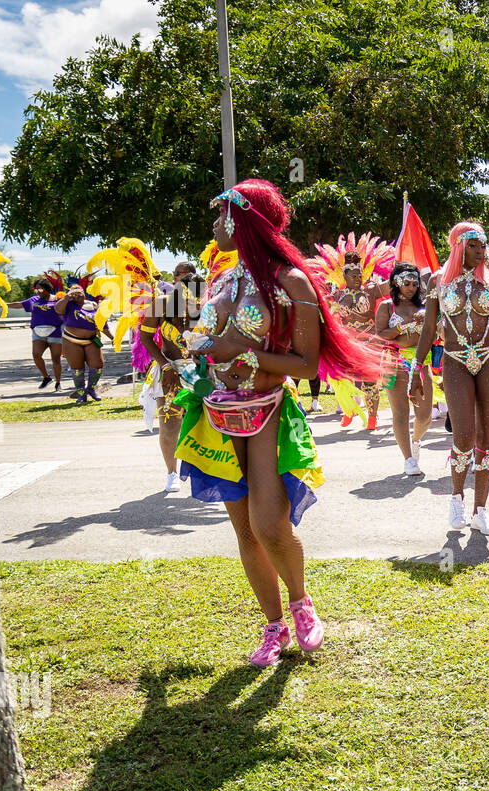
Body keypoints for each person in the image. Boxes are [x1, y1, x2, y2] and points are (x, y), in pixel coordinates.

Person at [178, 178, 383, 667]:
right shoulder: (223, 280)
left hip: (267, 408)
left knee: (268, 523)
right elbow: (207, 344)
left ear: (239, 218)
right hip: (216, 410)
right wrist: (186, 353)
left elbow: (308, 365)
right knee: (244, 532)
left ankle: (301, 602)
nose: (212, 225)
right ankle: (274, 628)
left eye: (219, 215)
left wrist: (242, 352)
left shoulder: (291, 281)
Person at [410, 214, 489, 535]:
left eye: (483, 246)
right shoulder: (437, 282)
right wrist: (415, 368)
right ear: (459, 247)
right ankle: (457, 497)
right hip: (455, 361)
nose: (480, 252)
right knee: (463, 436)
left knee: (487, 441)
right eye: (473, 245)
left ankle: (482, 510)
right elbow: (428, 330)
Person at [140, 270, 203, 491]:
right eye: (186, 301)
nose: (189, 307)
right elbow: (145, 337)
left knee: (208, 423)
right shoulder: (161, 304)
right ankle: (172, 473)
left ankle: (207, 472)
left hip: (200, 371)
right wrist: (165, 365)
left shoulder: (205, 306)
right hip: (169, 369)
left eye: (194, 302)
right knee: (169, 423)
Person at [375, 261, 435, 476]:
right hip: (394, 361)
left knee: (425, 415)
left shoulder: (426, 305)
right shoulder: (387, 306)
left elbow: (433, 335)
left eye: (414, 283)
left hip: (421, 361)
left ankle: (416, 441)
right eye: (406, 283)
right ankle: (408, 458)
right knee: (400, 412)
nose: (411, 288)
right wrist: (404, 324)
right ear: (396, 283)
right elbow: (381, 334)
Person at [332, 261, 383, 429]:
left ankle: (372, 418)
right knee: (344, 380)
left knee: (370, 381)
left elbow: (393, 285)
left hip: (369, 343)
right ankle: (349, 411)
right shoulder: (337, 296)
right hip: (348, 344)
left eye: (360, 275)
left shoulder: (370, 290)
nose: (357, 278)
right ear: (344, 277)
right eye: (353, 276)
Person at [9, 277, 64, 390]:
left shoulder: (57, 300)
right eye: (36, 289)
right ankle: (46, 377)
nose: (38, 291)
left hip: (55, 331)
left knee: (56, 359)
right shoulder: (34, 300)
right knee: (36, 355)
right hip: (38, 332)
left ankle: (58, 382)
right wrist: (3, 304)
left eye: (40, 289)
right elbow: (19, 304)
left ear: (47, 288)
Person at [53, 285, 105, 404]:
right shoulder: (68, 304)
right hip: (71, 340)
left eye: (78, 290)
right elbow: (58, 309)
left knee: (98, 365)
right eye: (73, 291)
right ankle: (81, 394)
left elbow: (102, 321)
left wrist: (112, 337)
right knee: (77, 369)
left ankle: (91, 389)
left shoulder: (93, 304)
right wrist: (67, 297)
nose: (76, 292)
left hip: (91, 340)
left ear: (83, 291)